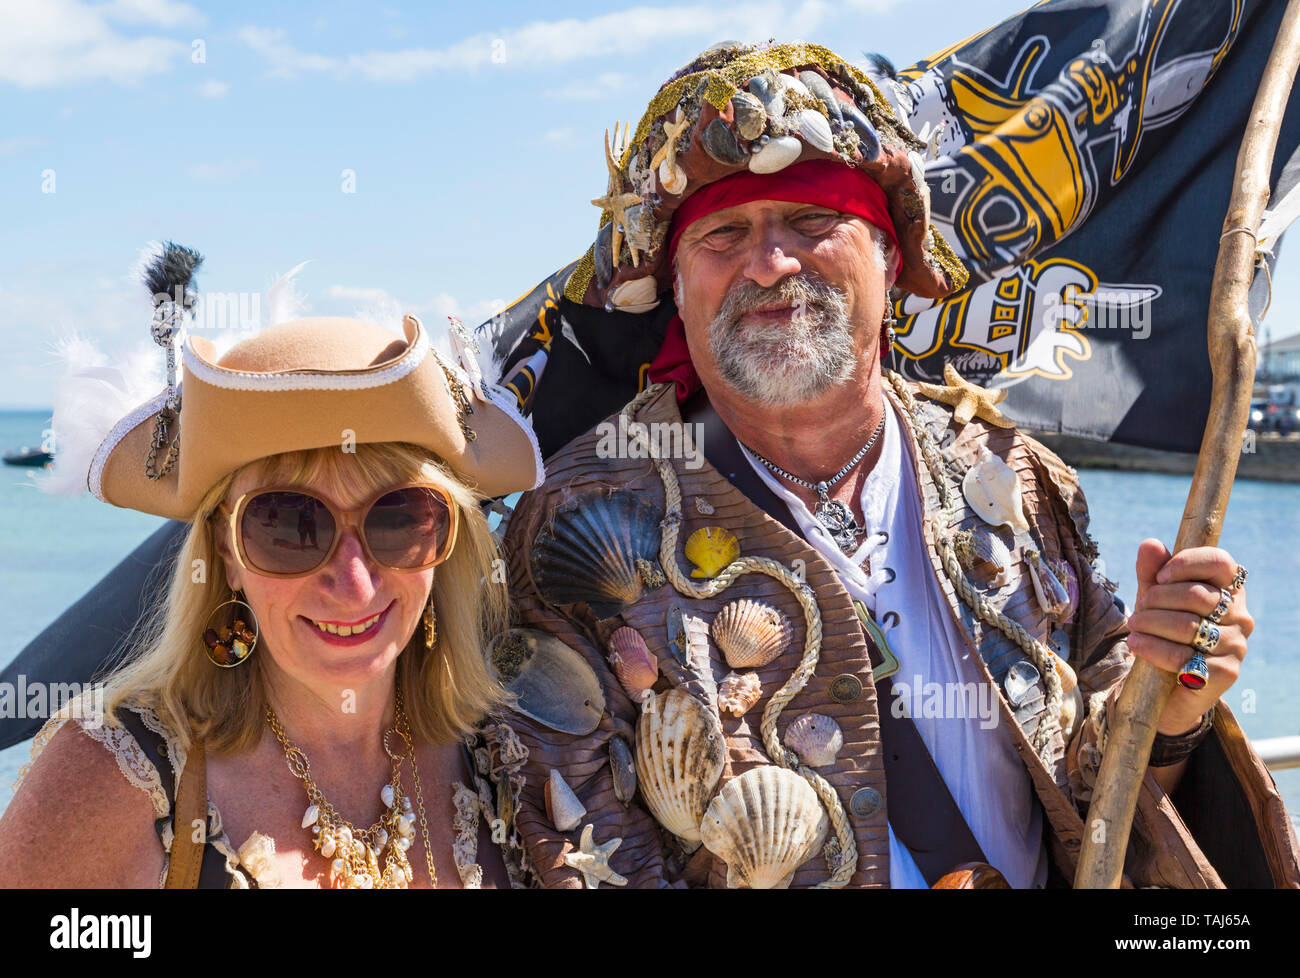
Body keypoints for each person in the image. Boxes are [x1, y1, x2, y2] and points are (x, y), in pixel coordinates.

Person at [489, 41, 1299, 888]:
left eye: (811, 221)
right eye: (725, 232)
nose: (770, 263)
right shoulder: (571, 520)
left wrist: (1173, 705)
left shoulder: (1011, 471)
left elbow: (1110, 800)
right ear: (677, 286)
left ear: (889, 260)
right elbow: (580, 852)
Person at [0, 246, 544, 888]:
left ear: (447, 538)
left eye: (399, 519)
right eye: (288, 524)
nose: (354, 583)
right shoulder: (109, 783)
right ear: (225, 554)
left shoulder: (512, 761)